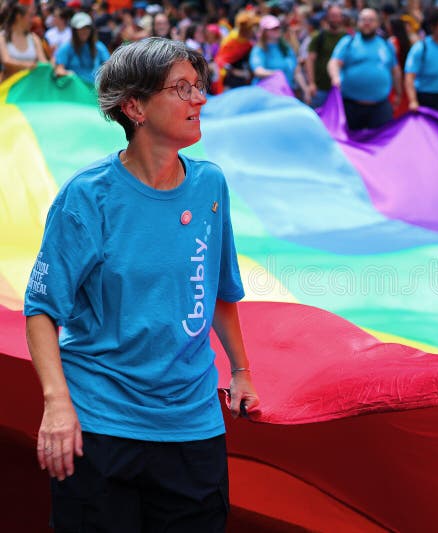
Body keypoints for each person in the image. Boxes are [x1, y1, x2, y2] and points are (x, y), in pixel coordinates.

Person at [25, 37, 259, 531]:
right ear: (135, 106)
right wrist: (57, 405)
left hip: (192, 425)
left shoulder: (210, 185)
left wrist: (241, 371)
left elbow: (218, 289)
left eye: (198, 87)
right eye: (182, 89)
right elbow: (43, 309)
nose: (200, 100)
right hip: (100, 425)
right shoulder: (88, 197)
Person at [328, 8, 402, 130]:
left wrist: (398, 93)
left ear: (378, 23)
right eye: (363, 19)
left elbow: (395, 70)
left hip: (380, 106)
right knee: (350, 143)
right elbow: (334, 62)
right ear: (358, 22)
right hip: (351, 105)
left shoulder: (386, 44)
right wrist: (335, 77)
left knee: (381, 142)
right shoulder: (348, 42)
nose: (367, 23)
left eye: (371, 20)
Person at [250, 15, 310, 101]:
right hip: (266, 96)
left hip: (285, 93)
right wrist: (276, 74)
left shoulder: (286, 48)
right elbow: (258, 71)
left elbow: (297, 71)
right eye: (273, 28)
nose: (276, 30)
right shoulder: (259, 50)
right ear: (264, 32)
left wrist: (305, 89)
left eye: (277, 27)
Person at [306, 5, 346, 108]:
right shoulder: (319, 37)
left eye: (338, 16)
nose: (335, 19)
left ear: (342, 18)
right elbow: (310, 60)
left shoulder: (347, 38)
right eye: (333, 16)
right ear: (327, 17)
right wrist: (311, 83)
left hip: (341, 90)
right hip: (320, 89)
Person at [54, 12, 110, 85]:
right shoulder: (66, 48)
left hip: (96, 89)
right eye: (81, 28)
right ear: (74, 31)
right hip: (75, 90)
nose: (85, 31)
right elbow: (59, 70)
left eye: (87, 28)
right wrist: (68, 73)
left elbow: (110, 67)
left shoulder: (99, 46)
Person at [0, 2, 47, 82]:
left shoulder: (34, 38)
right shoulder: (2, 37)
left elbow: (44, 62)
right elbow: (6, 61)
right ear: (18, 16)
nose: (33, 20)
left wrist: (55, 68)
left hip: (29, 89)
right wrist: (28, 65)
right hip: (10, 89)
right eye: (30, 16)